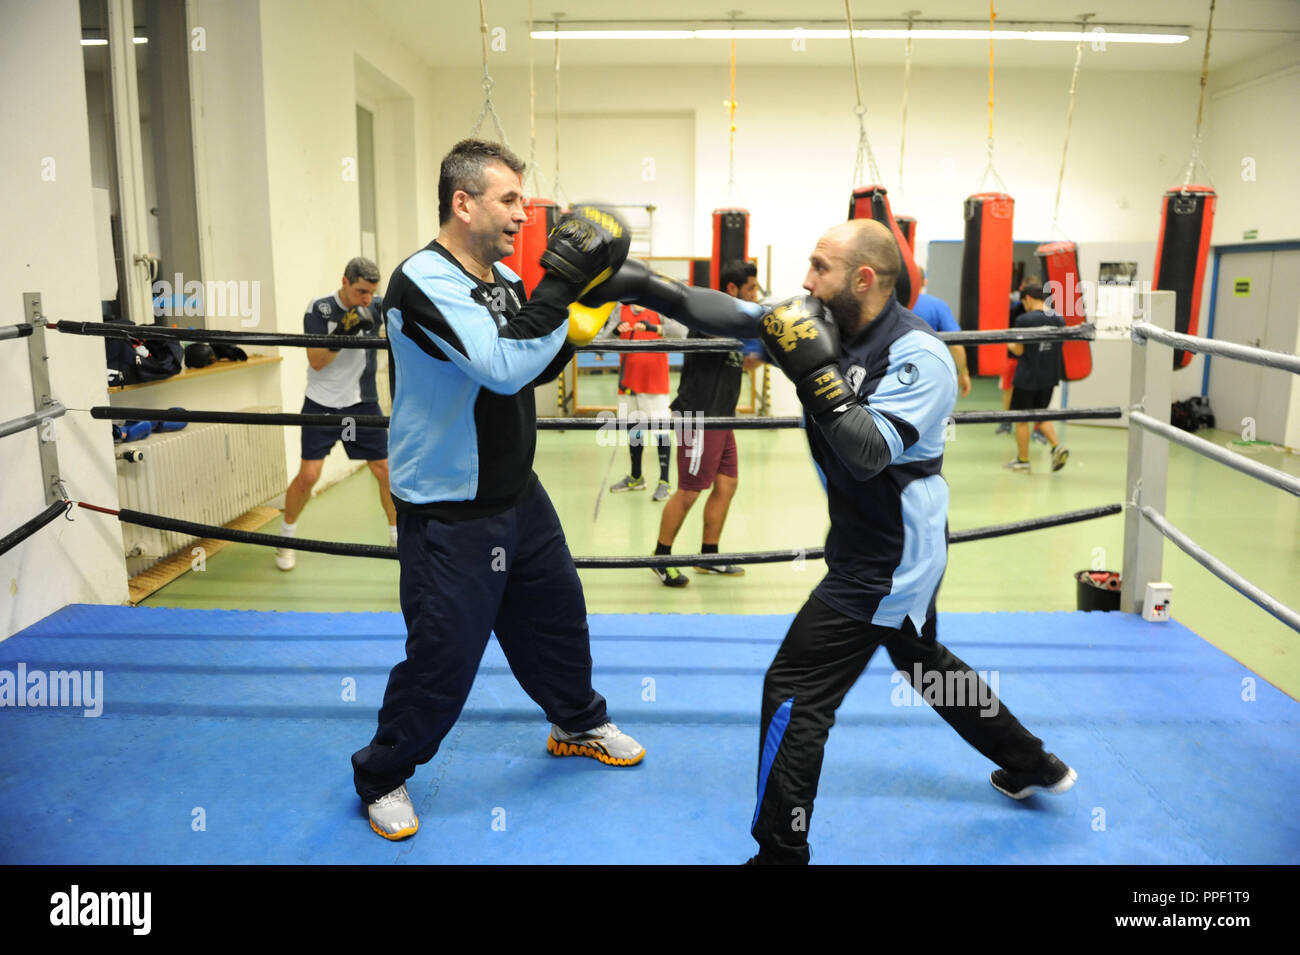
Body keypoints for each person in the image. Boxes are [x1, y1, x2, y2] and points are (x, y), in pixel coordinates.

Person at [585, 218, 1076, 864]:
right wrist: (632, 281)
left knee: (794, 688)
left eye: (819, 267)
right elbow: (729, 313)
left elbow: (868, 451)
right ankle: (1031, 761)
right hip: (875, 536)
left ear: (863, 279)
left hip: (891, 551)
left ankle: (781, 851)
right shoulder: (823, 319)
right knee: (922, 662)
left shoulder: (917, 356)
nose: (805, 280)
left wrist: (817, 372)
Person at [350, 139, 643, 841]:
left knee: (558, 619)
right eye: (510, 199)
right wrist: (559, 295)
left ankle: (575, 721)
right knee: (443, 657)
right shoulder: (423, 280)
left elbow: (531, 364)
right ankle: (382, 772)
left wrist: (571, 321)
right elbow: (500, 365)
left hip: (517, 493)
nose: (523, 213)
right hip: (451, 507)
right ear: (464, 201)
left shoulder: (503, 279)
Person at [276, 257, 392, 571]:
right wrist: (344, 329)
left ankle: (399, 540)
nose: (366, 299)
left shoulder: (378, 306)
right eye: (360, 292)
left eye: (371, 292)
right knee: (309, 476)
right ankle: (286, 539)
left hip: (362, 401)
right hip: (322, 403)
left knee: (384, 470)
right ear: (345, 282)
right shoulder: (320, 309)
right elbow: (316, 361)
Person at [650, 260, 758, 587]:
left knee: (726, 485)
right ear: (732, 289)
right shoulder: (712, 316)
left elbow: (747, 364)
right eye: (751, 288)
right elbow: (722, 329)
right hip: (698, 416)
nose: (755, 294)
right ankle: (660, 557)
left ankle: (709, 556)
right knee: (689, 491)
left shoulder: (740, 324)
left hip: (721, 417)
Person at [608, 303, 673, 502]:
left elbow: (681, 332)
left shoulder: (659, 305)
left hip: (655, 382)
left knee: (661, 430)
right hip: (629, 382)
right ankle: (636, 477)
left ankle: (664, 481)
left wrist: (654, 328)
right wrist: (616, 331)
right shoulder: (620, 310)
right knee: (633, 429)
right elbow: (602, 338)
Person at [1004, 282, 1068, 474]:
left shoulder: (1024, 320)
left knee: (1022, 419)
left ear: (1028, 299)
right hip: (1049, 377)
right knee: (1040, 415)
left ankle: (1023, 461)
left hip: (1027, 377)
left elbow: (1019, 349)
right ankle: (1057, 447)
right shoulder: (1059, 319)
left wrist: (1007, 343)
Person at [910, 266, 971, 398]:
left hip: (893, 376)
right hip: (930, 377)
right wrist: (964, 373)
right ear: (924, 281)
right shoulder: (938, 306)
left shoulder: (888, 306)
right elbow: (956, 345)